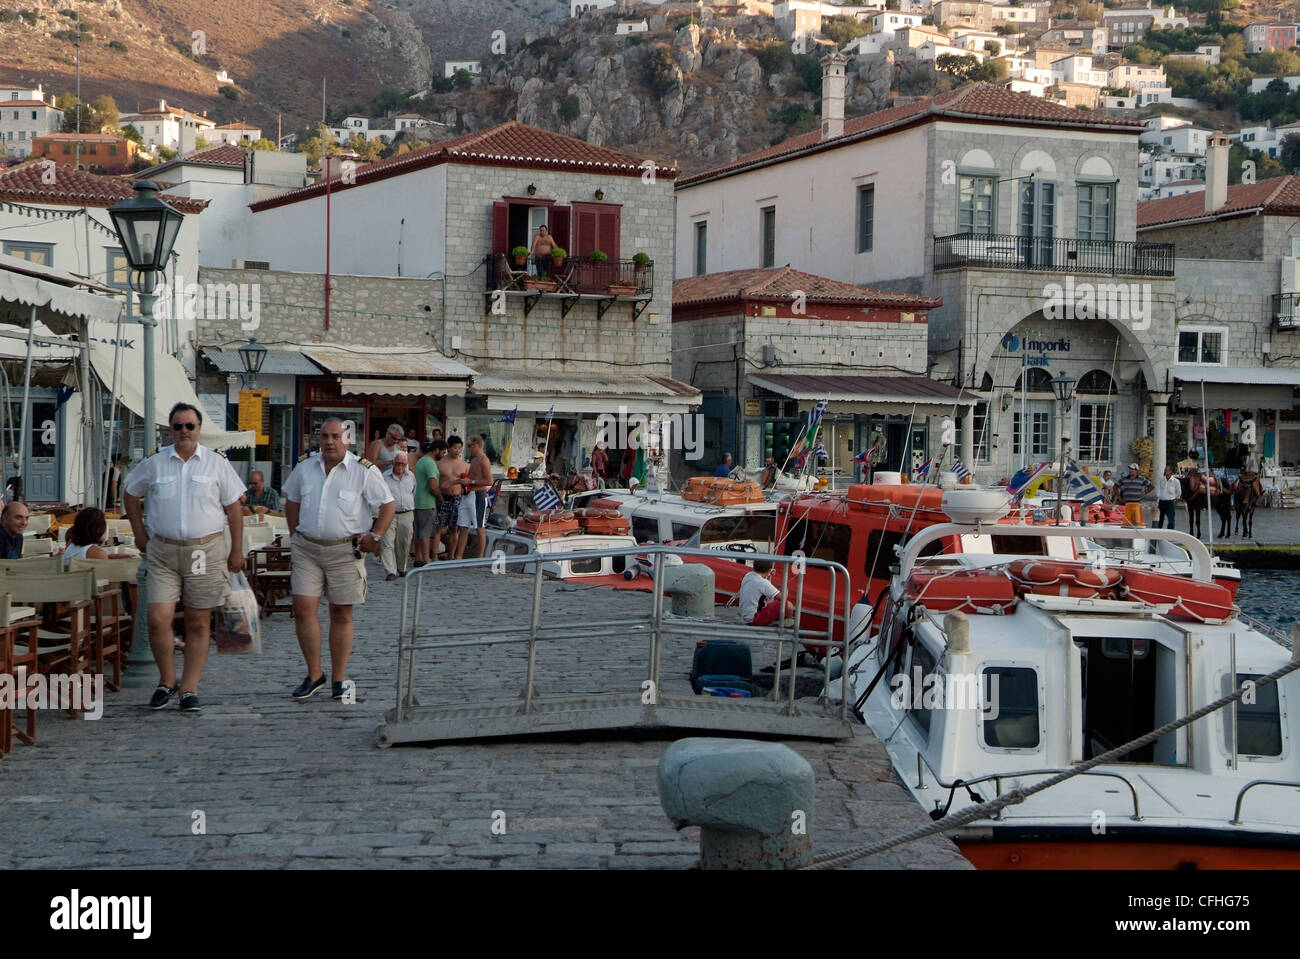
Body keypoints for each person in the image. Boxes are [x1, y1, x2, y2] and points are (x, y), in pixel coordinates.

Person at [123, 402, 246, 714]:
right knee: (157, 618)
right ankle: (167, 680)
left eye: (189, 426)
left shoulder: (216, 464)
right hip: (163, 550)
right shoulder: (155, 463)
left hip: (201, 551)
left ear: (199, 429)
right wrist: (139, 534)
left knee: (198, 619)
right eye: (178, 426)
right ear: (170, 430)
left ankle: (190, 687)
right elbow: (130, 493)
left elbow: (234, 508)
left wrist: (236, 550)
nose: (184, 432)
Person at [283, 417, 395, 701]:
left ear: (347, 439)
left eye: (335, 436)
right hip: (307, 549)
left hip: (345, 551)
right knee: (303, 608)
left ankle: (338, 678)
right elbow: (292, 499)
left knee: (341, 613)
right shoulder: (305, 467)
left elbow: (388, 504)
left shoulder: (362, 470)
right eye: (325, 436)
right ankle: (314, 674)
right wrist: (294, 533)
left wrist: (377, 536)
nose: (329, 442)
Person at [457, 435, 492, 560]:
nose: (468, 448)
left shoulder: (483, 460)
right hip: (468, 494)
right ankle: (459, 556)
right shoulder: (474, 460)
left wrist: (471, 482)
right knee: (463, 526)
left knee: (479, 526)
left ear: (476, 445)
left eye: (469, 446)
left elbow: (489, 481)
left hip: (478, 495)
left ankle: (480, 557)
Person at [381, 452, 415, 581]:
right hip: (389, 514)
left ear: (406, 464)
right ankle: (390, 571)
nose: (400, 466)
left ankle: (402, 568)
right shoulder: (385, 477)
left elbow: (413, 491)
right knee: (387, 543)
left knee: (404, 542)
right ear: (393, 463)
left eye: (403, 464)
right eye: (398, 463)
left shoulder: (411, 476)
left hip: (407, 513)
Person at [438, 435, 470, 557]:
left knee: (454, 528)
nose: (457, 451)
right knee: (439, 528)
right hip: (442, 497)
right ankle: (437, 553)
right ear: (449, 448)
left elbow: (469, 482)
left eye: (459, 448)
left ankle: (451, 555)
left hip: (457, 498)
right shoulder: (440, 463)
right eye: (455, 448)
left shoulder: (464, 465)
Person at [738, 560, 796, 627]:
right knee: (788, 605)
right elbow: (783, 598)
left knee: (771, 602)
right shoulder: (763, 583)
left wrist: (768, 573)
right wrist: (785, 589)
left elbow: (762, 585)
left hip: (746, 617)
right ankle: (788, 624)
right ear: (769, 570)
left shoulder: (748, 575)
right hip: (754, 619)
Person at [413, 439, 440, 565]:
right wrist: (440, 497)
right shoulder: (430, 463)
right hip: (427, 502)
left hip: (417, 501)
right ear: (436, 450)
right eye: (443, 451)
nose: (443, 454)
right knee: (426, 532)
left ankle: (418, 557)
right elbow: (433, 485)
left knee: (418, 531)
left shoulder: (421, 461)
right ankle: (426, 558)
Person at [1118, 462, 1153, 527]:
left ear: (1136, 470)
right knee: (1126, 520)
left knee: (1136, 520)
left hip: (1136, 503)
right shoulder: (1124, 479)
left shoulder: (1141, 479)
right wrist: (1119, 498)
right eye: (1130, 469)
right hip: (1126, 503)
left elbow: (1151, 486)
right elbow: (1115, 486)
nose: (1130, 470)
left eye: (1132, 469)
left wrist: (1145, 492)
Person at [1155, 464, 1180, 530]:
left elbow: (1178, 493)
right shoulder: (1161, 480)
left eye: (1166, 470)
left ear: (1170, 471)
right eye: (1164, 470)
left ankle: (1170, 534)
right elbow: (1159, 491)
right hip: (1161, 502)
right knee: (1160, 520)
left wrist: (1174, 502)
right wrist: (1157, 503)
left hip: (1170, 502)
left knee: (1171, 520)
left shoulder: (1176, 481)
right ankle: (1158, 534)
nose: (1165, 471)